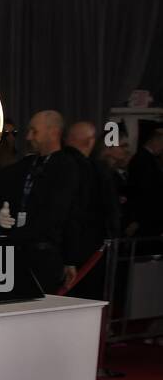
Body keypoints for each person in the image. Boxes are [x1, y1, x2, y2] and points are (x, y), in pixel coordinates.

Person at [0, 110, 79, 291]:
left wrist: (70, 259)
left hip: (43, 257)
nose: (28, 137)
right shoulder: (26, 165)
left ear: (53, 133)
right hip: (17, 253)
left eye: (34, 131)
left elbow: (61, 215)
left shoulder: (67, 168)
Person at [61, 120, 122, 298]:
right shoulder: (97, 170)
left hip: (57, 248)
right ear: (90, 142)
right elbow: (110, 210)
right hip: (90, 250)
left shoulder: (53, 165)